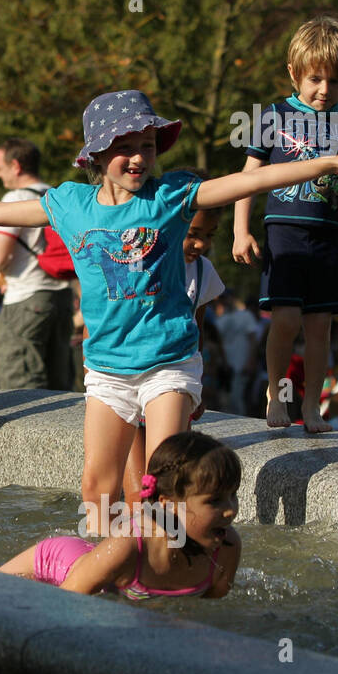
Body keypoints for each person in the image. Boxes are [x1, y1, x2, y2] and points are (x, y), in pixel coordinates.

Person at [0, 89, 338, 533]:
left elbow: (252, 180)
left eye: (147, 146)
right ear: (98, 155)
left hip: (169, 361)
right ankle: (109, 569)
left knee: (166, 476)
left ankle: (168, 570)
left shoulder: (171, 197)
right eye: (126, 148)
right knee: (96, 488)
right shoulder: (71, 204)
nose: (140, 158)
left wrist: (328, 165)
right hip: (106, 370)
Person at [232, 16, 338, 433]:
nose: (324, 90)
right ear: (294, 73)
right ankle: (276, 395)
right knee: (285, 320)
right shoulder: (272, 116)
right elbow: (248, 177)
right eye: (315, 78)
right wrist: (239, 229)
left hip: (328, 237)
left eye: (335, 81)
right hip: (285, 232)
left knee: (321, 327)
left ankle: (313, 407)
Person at [0, 432, 241, 599]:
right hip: (57, 566)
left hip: (102, 570)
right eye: (214, 501)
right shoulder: (128, 547)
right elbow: (65, 603)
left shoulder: (227, 549)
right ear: (168, 505)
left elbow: (208, 613)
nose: (230, 510)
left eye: (233, 495)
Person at [122, 202, 226, 494]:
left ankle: (167, 534)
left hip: (174, 378)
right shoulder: (140, 262)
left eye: (210, 234)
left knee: (165, 478)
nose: (201, 244)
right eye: (192, 233)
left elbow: (197, 329)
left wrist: (197, 385)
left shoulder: (203, 271)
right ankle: (132, 532)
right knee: (135, 490)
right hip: (127, 379)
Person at [0, 138, 74, 390]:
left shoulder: (16, 198)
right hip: (63, 298)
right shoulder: (58, 195)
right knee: (61, 388)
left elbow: (0, 258)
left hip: (25, 300)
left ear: (16, 166)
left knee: (23, 389)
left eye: (0, 168)